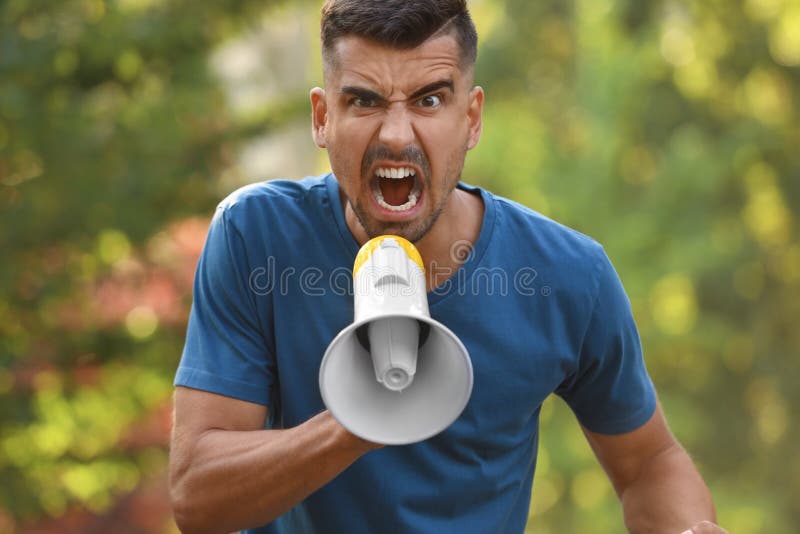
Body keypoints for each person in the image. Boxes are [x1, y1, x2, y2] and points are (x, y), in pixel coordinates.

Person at [169, 1, 728, 533]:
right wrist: (355, 422)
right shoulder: (255, 237)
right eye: (364, 101)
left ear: (472, 118)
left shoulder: (568, 276)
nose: (395, 135)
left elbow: (649, 462)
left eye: (429, 100)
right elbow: (196, 495)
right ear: (322, 118)